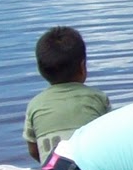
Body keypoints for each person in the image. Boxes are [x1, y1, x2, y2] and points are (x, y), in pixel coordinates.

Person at [24, 26, 111, 161]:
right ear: (82, 67)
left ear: (41, 71)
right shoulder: (98, 98)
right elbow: (111, 139)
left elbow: (33, 150)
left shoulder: (35, 105)